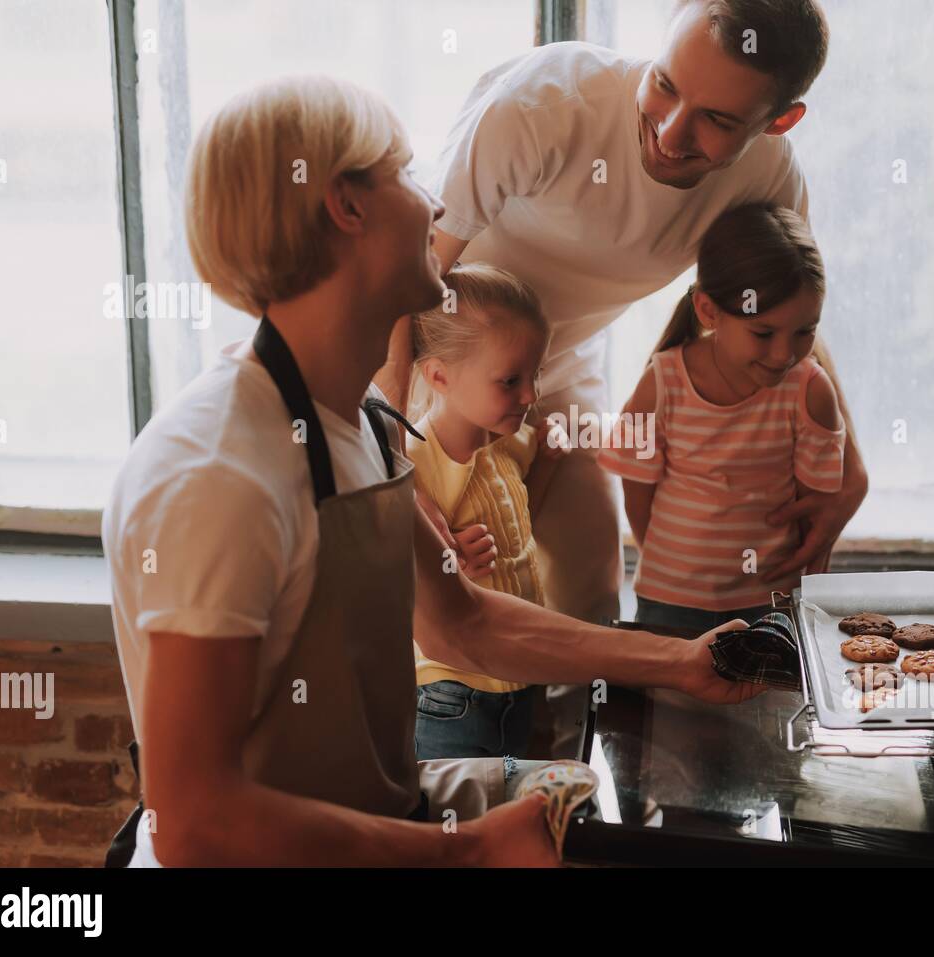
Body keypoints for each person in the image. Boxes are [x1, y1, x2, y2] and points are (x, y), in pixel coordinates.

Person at [100, 76, 762, 868]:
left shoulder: (363, 422)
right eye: (407, 174)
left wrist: (681, 661)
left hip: (384, 802)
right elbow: (196, 820)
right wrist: (468, 852)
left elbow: (464, 621)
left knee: (611, 814)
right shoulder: (216, 473)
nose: (437, 205)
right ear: (346, 206)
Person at [379, 0, 867, 630]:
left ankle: (560, 729)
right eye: (664, 84)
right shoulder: (543, 107)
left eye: (716, 119)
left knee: (589, 593)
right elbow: (403, 279)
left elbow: (788, 320)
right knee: (441, 595)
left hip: (554, 364)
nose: (669, 135)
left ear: (779, 122)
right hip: (432, 361)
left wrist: (847, 463)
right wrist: (393, 456)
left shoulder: (769, 180)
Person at [599, 203, 844, 633]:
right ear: (708, 311)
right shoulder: (661, 385)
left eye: (804, 331)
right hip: (668, 602)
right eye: (763, 333)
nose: (784, 354)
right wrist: (677, 569)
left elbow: (813, 512)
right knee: (671, 702)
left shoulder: (810, 392)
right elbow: (638, 501)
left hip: (769, 603)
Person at [405, 263, 567, 759]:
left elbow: (520, 530)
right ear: (439, 376)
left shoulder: (510, 443)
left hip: (519, 675)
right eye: (510, 380)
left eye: (535, 374)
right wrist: (454, 569)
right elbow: (392, 587)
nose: (531, 395)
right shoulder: (417, 463)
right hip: (454, 692)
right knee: (453, 817)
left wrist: (548, 462)